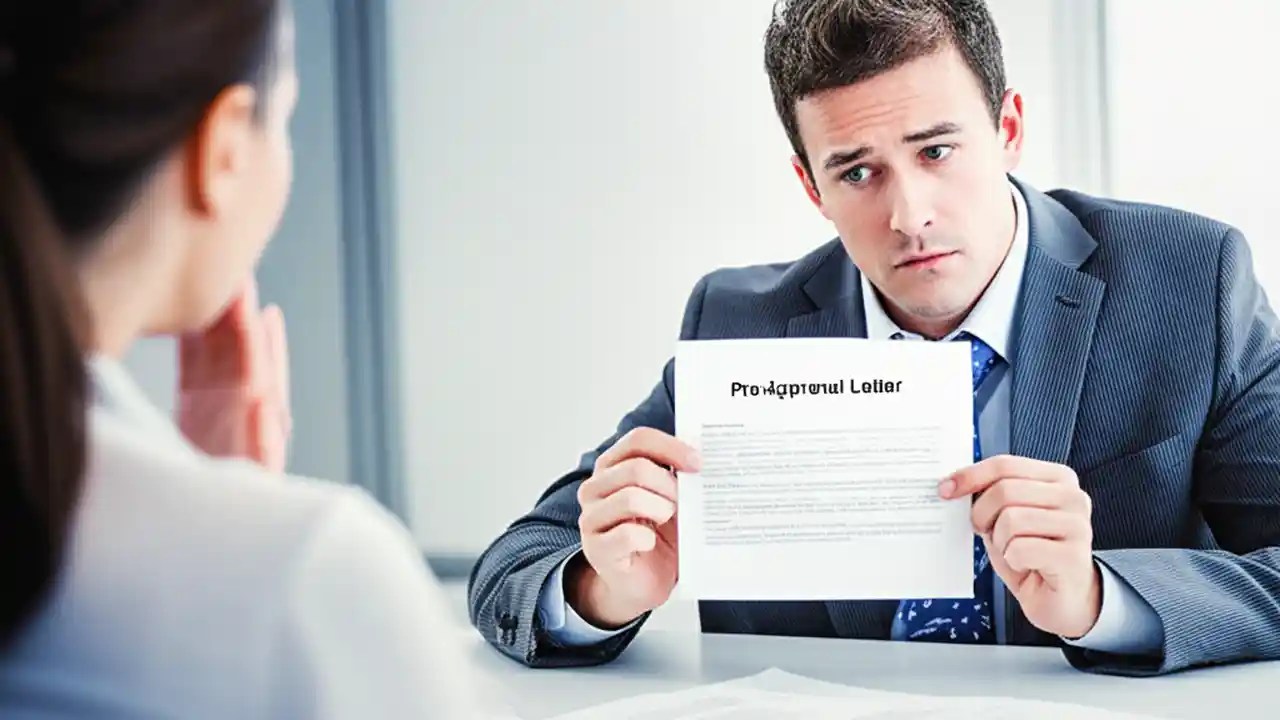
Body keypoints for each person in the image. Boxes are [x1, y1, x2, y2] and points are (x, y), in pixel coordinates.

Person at [469, 0, 1280, 677]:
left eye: (937, 150)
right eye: (857, 172)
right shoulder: (738, 322)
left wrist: (1104, 599)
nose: (909, 216)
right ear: (809, 184)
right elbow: (514, 566)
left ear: (1009, 128)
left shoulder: (1187, 281)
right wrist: (598, 590)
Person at [0, 2, 485, 717]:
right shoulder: (308, 580)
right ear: (223, 147)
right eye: (283, 120)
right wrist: (239, 527)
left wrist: (217, 491)